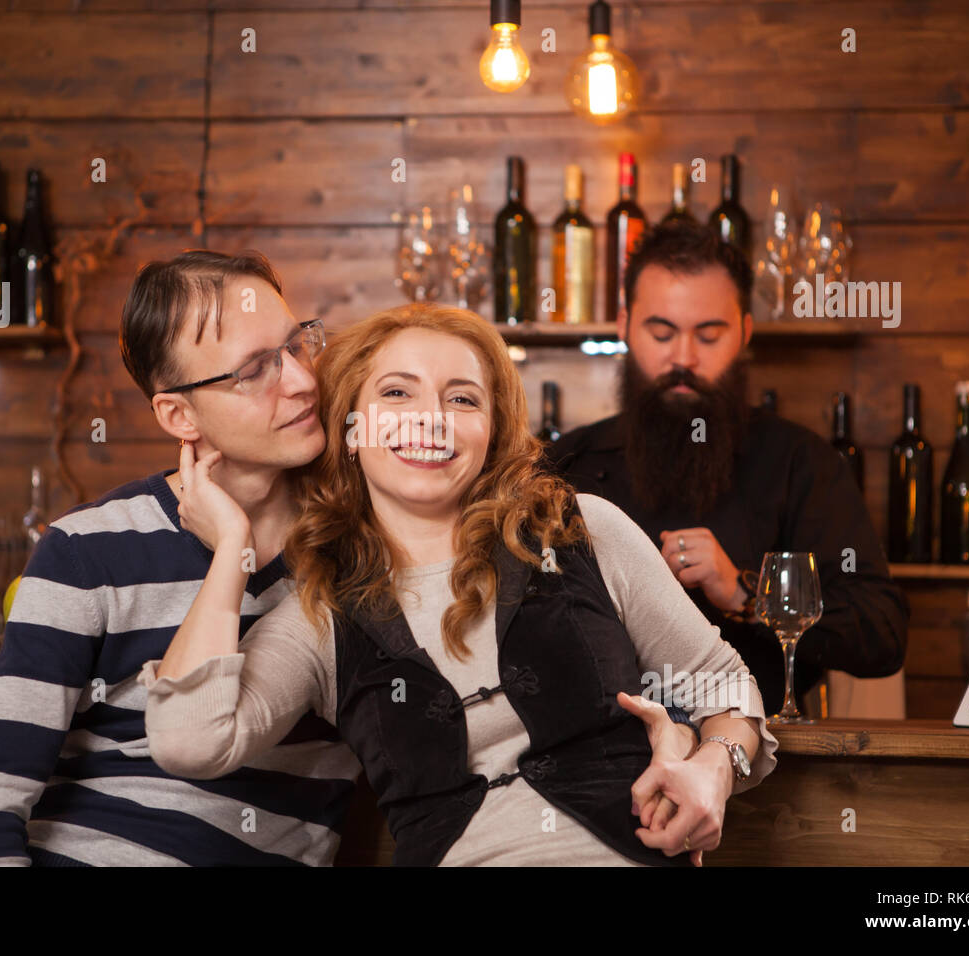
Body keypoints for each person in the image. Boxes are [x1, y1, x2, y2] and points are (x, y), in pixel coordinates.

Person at [139, 303, 777, 867]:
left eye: (463, 398)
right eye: (396, 394)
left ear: (492, 432)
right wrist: (232, 551)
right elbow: (191, 740)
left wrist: (714, 768)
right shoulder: (322, 615)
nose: (432, 420)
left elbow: (723, 685)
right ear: (352, 430)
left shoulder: (581, 531)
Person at [0, 250, 361, 866]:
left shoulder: (360, 557)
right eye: (255, 369)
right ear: (179, 415)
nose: (302, 380)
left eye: (296, 345)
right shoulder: (85, 552)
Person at [548, 222, 908, 716]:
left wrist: (747, 593)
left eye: (709, 334)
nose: (683, 358)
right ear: (624, 325)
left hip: (773, 763)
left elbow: (882, 633)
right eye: (661, 332)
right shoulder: (565, 466)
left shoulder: (800, 463)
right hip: (594, 760)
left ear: (744, 332)